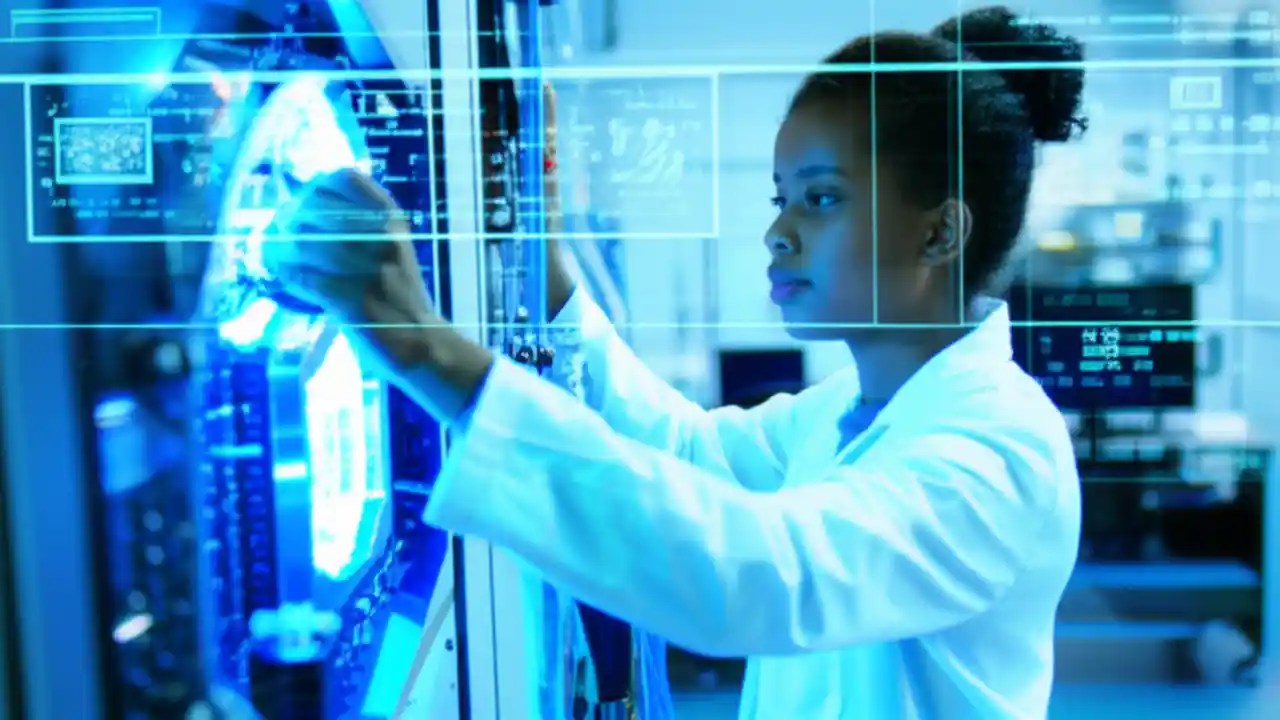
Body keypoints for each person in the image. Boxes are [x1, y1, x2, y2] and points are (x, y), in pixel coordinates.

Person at [269, 6, 1088, 718]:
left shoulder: (997, 450)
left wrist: (416, 341)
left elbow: (766, 573)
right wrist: (539, 244)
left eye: (823, 198)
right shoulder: (849, 412)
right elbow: (687, 452)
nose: (779, 233)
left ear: (940, 233)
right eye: (782, 198)